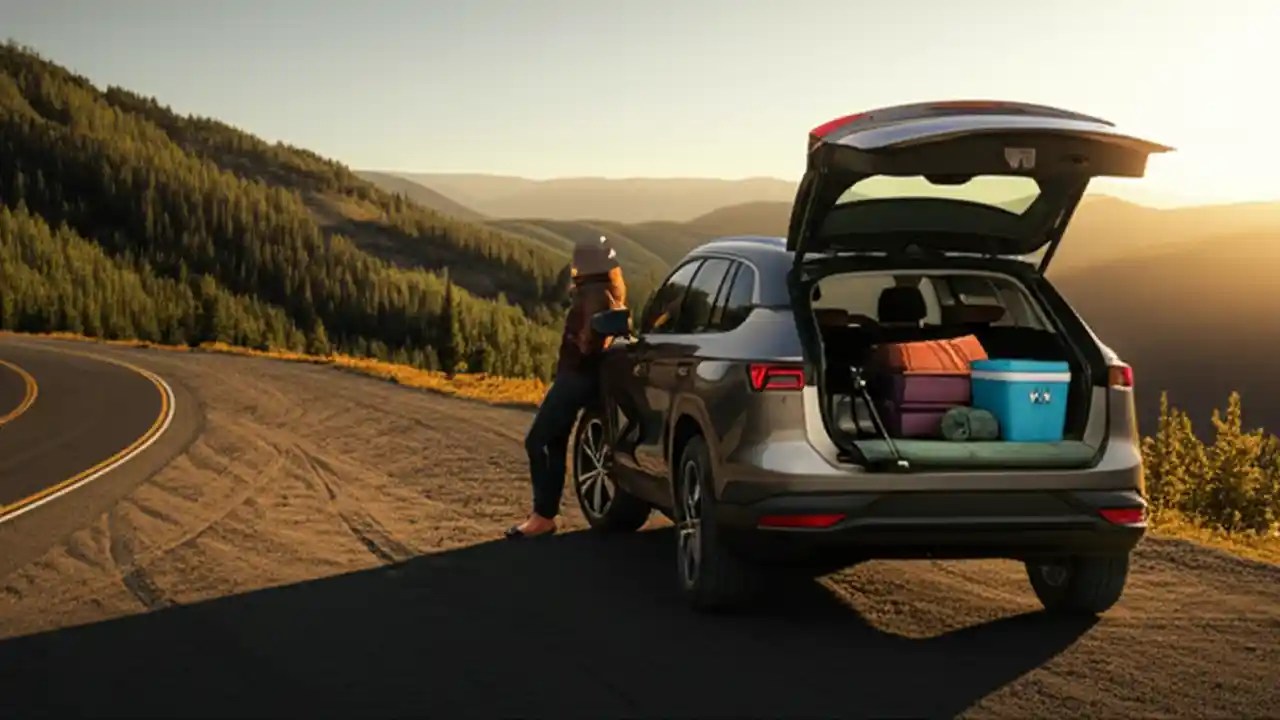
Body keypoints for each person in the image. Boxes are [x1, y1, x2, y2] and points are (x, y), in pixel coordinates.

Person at [506, 236, 627, 539]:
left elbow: (593, 338)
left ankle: (542, 516)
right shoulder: (608, 288)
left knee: (537, 441)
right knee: (555, 442)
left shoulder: (594, 294)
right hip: (581, 377)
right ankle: (543, 515)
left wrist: (580, 341)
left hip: (575, 378)